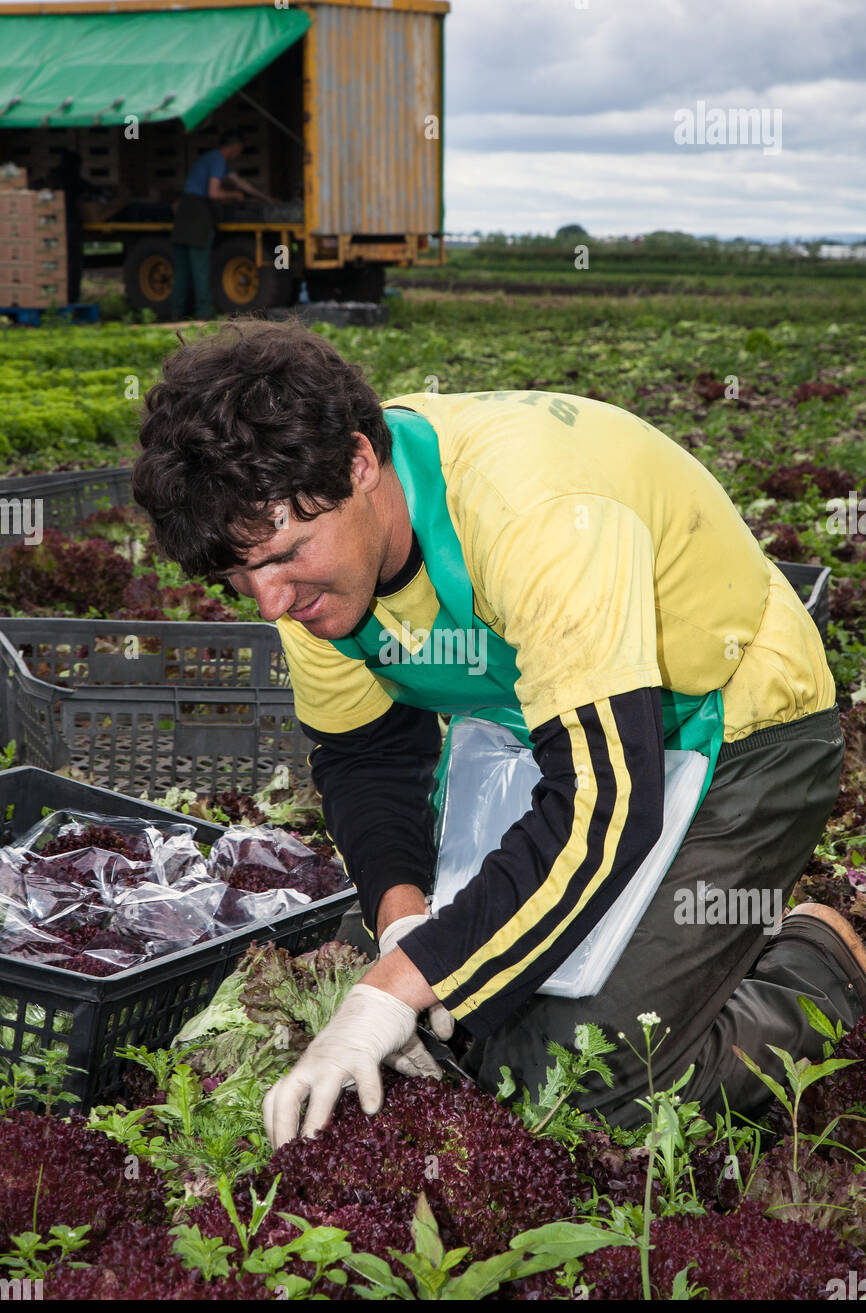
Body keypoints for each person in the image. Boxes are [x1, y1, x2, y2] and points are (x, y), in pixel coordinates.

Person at [132, 319, 866, 1149]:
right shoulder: (309, 554)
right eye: (240, 576)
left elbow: (604, 803)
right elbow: (368, 754)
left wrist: (401, 988)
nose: (270, 602)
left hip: (734, 725)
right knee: (439, 1019)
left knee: (589, 1083)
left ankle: (814, 960)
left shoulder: (533, 512)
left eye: (287, 555)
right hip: (542, 737)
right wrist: (403, 924)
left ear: (360, 464)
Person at [169, 130, 269, 321]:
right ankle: (204, 313)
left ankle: (176, 313)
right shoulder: (217, 160)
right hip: (198, 216)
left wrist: (266, 198)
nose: (239, 153)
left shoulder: (211, 160)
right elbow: (213, 193)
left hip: (183, 214)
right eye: (240, 149)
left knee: (181, 268)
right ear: (234, 147)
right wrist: (234, 196)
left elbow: (242, 183)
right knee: (200, 267)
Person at [46, 149, 103, 304]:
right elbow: (91, 189)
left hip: (53, 226)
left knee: (55, 262)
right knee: (73, 263)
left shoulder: (54, 177)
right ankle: (71, 297)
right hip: (70, 225)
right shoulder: (71, 178)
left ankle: (55, 297)